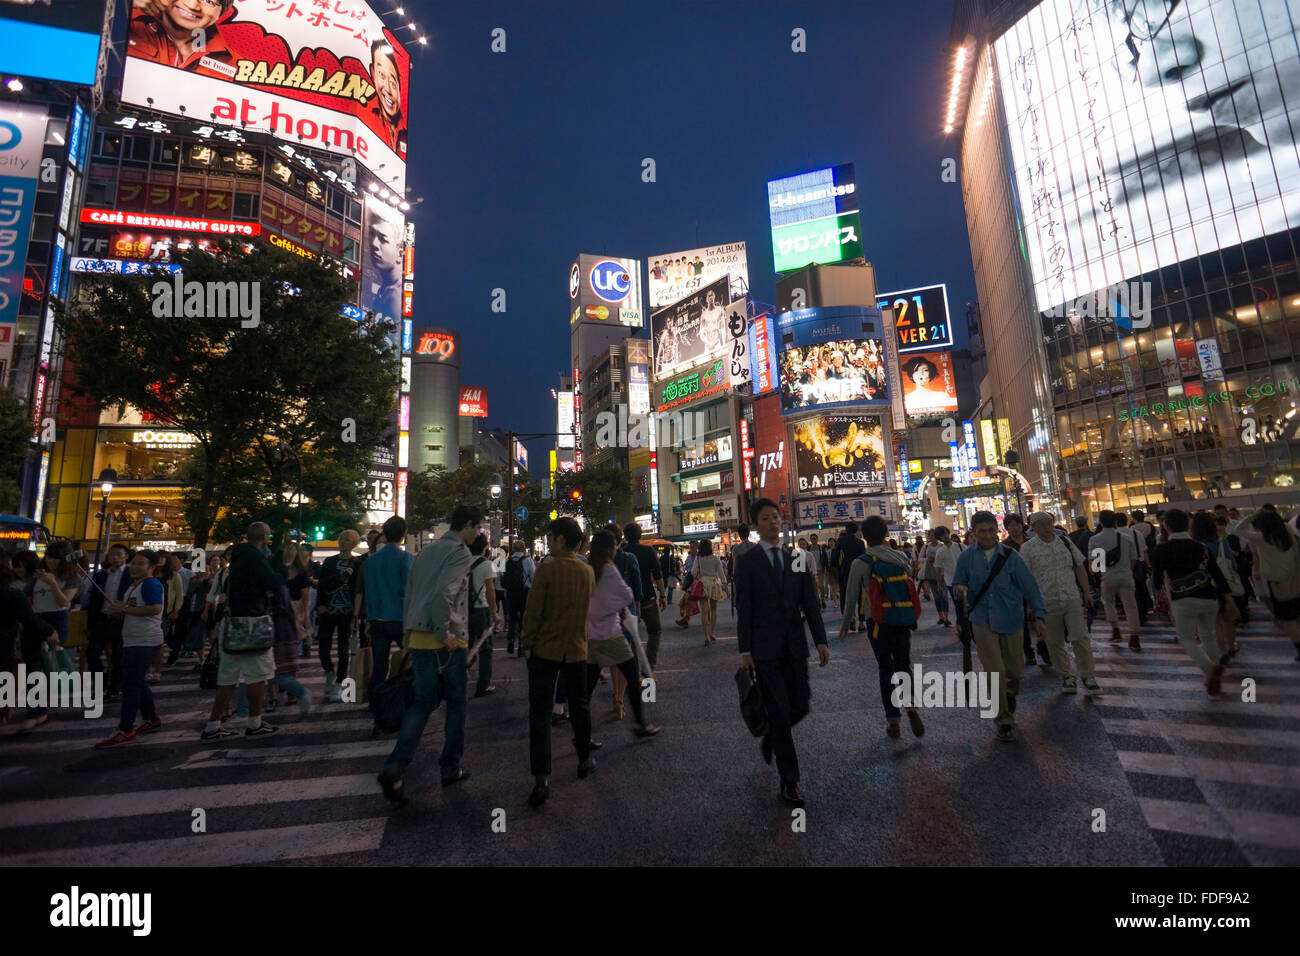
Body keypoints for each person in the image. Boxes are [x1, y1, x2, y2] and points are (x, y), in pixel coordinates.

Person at [375, 507, 480, 805]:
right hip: (446, 639)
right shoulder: (459, 552)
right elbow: (444, 594)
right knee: (457, 703)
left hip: (419, 636)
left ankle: (394, 768)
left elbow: (411, 593)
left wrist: (409, 637)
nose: (478, 534)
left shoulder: (428, 550)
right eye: (478, 528)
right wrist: (443, 632)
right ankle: (450, 766)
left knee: (421, 704)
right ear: (469, 525)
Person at [735, 497, 830, 808]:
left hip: (795, 645)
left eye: (776, 517)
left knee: (801, 704)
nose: (773, 522)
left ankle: (772, 736)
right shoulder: (747, 562)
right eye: (765, 518)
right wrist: (745, 649)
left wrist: (821, 640)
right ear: (755, 526)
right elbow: (744, 607)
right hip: (763, 649)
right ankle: (791, 782)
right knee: (778, 706)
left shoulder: (798, 557)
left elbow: (810, 603)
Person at [952, 511, 1047, 742]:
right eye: (981, 531)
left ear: (997, 531)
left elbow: (1029, 586)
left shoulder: (1011, 556)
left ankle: (1010, 694)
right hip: (982, 620)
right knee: (994, 671)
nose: (986, 536)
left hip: (1011, 618)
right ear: (973, 533)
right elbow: (957, 583)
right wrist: (960, 588)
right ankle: (1003, 719)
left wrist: (1040, 615)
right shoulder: (966, 558)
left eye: (990, 531)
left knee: (1014, 671)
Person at [521, 517, 596, 808]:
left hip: (545, 650)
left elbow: (533, 611)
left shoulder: (547, 569)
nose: (549, 543)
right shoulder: (587, 571)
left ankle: (542, 779)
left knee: (540, 714)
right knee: (580, 707)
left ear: (562, 540)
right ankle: (584, 760)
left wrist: (527, 644)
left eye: (551, 538)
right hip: (576, 648)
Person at [839, 516, 925, 738]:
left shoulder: (861, 562)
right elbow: (911, 579)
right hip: (901, 618)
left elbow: (851, 598)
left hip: (876, 622)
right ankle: (911, 704)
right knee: (903, 664)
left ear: (864, 536)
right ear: (886, 533)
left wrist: (846, 624)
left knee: (885, 667)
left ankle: (893, 721)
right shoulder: (900, 557)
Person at [200, 522, 285, 742]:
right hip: (252, 623)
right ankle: (254, 723)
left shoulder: (236, 560)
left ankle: (213, 725)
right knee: (257, 676)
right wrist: (282, 562)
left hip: (232, 623)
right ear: (264, 537)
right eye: (268, 536)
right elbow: (275, 582)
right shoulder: (255, 557)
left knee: (228, 677)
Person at [585, 530, 661, 742]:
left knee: (587, 688)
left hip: (591, 635)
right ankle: (639, 723)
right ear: (611, 548)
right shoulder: (609, 569)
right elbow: (627, 595)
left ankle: (583, 734)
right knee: (632, 677)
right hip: (611, 634)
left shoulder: (588, 568)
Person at [1150, 509, 1233, 694]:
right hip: (1209, 596)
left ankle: (1210, 669)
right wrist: (1228, 599)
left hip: (1183, 599)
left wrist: (1161, 598)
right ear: (1188, 524)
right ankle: (1212, 679)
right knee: (1208, 636)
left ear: (1166, 526)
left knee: (1187, 639)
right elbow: (1218, 575)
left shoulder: (1162, 549)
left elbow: (1156, 581)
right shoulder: (1201, 547)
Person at [1020, 512, 1101, 696]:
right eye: (1042, 525)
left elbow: (1079, 565)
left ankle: (1088, 676)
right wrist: (1030, 604)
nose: (1047, 528)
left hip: (1071, 596)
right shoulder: (1028, 548)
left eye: (1049, 523)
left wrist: (1087, 592)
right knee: (1054, 641)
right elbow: (1026, 579)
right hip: (1046, 601)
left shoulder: (1064, 541)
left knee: (1080, 637)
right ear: (1034, 528)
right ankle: (1067, 676)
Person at [95, 550, 167, 748]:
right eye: (134, 563)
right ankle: (151, 718)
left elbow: (155, 608)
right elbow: (136, 610)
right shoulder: (134, 586)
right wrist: (121, 612)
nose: (135, 567)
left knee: (130, 685)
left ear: (152, 567)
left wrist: (124, 609)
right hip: (133, 640)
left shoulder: (151, 584)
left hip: (144, 641)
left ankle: (126, 728)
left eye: (141, 564)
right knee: (136, 681)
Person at [360, 516, 413, 704]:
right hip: (399, 618)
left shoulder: (371, 561)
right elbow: (408, 590)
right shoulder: (405, 558)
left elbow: (369, 591)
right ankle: (402, 701)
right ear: (404, 533)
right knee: (409, 661)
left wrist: (368, 619)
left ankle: (375, 707)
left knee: (379, 668)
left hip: (377, 619)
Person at [1235, 508, 1300, 660]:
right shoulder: (1291, 536)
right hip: (1297, 579)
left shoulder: (1262, 538)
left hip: (1278, 584)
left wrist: (1254, 514)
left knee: (1289, 620)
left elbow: (1239, 529)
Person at [2, 552, 56, 728]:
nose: (16, 569)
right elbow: (30, 618)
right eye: (13, 565)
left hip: (23, 637)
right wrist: (49, 631)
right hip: (11, 640)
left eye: (19, 566)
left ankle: (33, 709)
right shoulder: (12, 592)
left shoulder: (43, 581)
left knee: (29, 670)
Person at [127, 0, 239, 77]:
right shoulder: (125, 23)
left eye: (208, 1)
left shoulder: (238, 67)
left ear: (221, 13)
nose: (192, 5)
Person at [1090, 510, 1144, 651]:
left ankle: (1115, 629)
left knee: (1108, 603)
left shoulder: (1095, 539)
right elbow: (1134, 558)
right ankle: (1134, 637)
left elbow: (1094, 565)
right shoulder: (1126, 537)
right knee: (1131, 606)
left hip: (1108, 577)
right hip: (1126, 575)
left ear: (1100, 522)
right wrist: (1127, 569)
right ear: (1115, 521)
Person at [317, 530, 361, 703]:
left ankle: (340, 682)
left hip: (346, 611)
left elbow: (358, 590)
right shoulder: (329, 561)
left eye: (347, 539)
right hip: (328, 610)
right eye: (341, 538)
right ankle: (328, 671)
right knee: (323, 646)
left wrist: (356, 615)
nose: (343, 542)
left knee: (344, 649)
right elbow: (322, 585)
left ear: (354, 543)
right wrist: (320, 604)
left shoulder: (356, 564)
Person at [88, 544, 131, 699]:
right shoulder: (101, 575)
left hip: (121, 619)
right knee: (92, 654)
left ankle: (115, 688)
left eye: (119, 554)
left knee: (118, 656)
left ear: (126, 556)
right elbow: (94, 598)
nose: (115, 558)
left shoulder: (131, 574)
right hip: (102, 618)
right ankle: (102, 682)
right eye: (112, 555)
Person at [622, 523, 667, 668]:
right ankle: (649, 664)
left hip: (628, 600)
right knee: (654, 630)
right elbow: (657, 574)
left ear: (626, 536)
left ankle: (633, 667)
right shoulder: (648, 551)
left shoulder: (622, 552)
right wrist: (663, 595)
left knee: (632, 635)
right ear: (640, 534)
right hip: (648, 597)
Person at [467, 534, 503, 698]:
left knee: (464, 646)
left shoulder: (462, 561)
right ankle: (484, 684)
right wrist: (494, 613)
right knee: (485, 649)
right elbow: (490, 591)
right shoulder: (487, 564)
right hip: (481, 609)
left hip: (463, 610)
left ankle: (457, 680)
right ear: (484, 548)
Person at [369, 40, 408, 159]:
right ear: (373, 73)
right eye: (381, 75)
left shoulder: (405, 132)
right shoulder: (366, 113)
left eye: (393, 83)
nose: (387, 89)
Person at [502, 539, 536, 657]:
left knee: (512, 617)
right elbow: (533, 577)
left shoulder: (507, 561)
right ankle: (521, 645)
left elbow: (503, 577)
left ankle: (511, 638)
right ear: (523, 548)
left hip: (511, 593)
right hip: (524, 593)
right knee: (523, 618)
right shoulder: (528, 561)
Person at [694, 539, 727, 645]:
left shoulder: (698, 558)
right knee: (713, 610)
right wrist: (724, 583)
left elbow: (693, 572)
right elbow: (721, 573)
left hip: (703, 583)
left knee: (704, 612)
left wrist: (698, 576)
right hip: (714, 584)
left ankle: (706, 636)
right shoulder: (715, 559)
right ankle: (712, 633)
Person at [831, 522, 866, 621]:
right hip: (858, 572)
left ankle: (850, 619)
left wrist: (838, 567)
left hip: (845, 571)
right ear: (856, 531)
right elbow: (863, 558)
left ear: (846, 530)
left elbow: (835, 556)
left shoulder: (841, 541)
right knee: (859, 596)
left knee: (845, 596)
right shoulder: (860, 542)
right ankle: (861, 622)